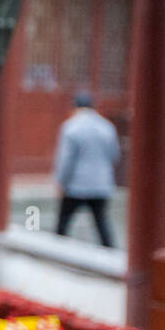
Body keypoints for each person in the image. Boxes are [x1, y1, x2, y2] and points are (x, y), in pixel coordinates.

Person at [53, 91, 120, 247]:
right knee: (101, 221)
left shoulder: (71, 127)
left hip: (76, 184)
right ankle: (110, 252)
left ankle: (56, 249)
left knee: (63, 222)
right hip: (101, 183)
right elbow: (114, 155)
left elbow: (65, 159)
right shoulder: (107, 127)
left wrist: (60, 181)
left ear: (75, 107)